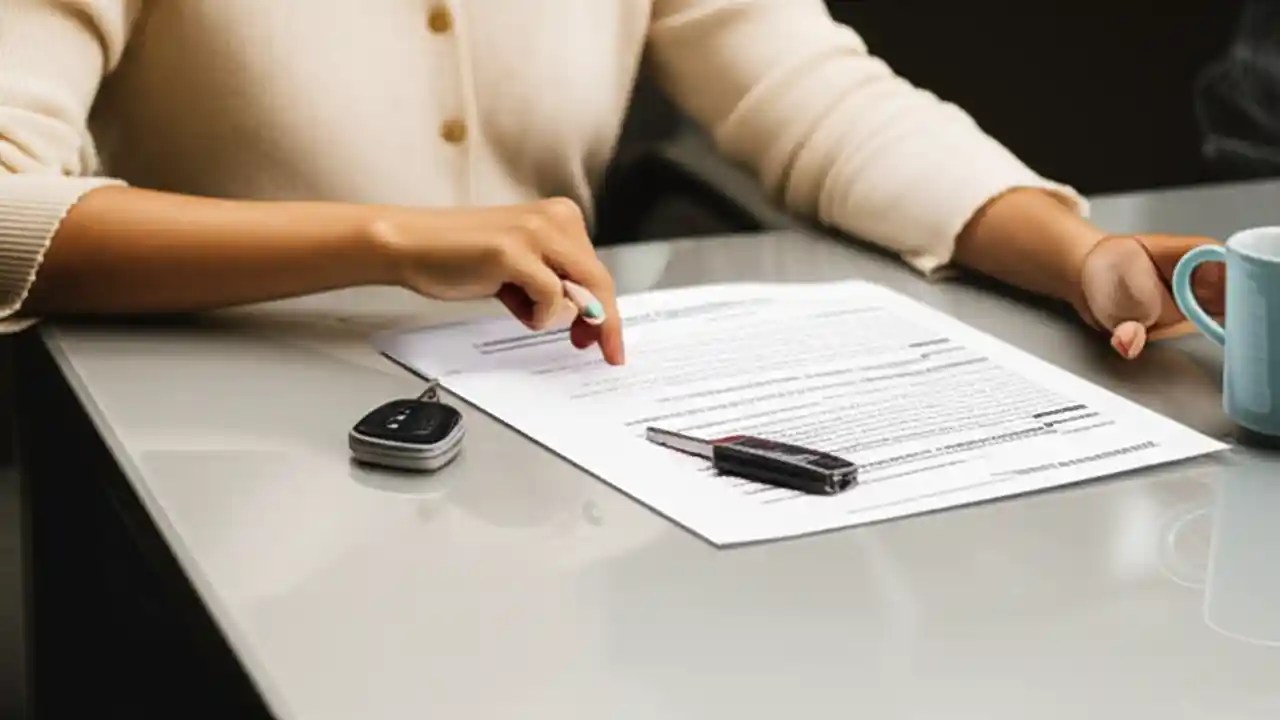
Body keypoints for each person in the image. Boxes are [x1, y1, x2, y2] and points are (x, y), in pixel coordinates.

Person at [0, 0, 1222, 364]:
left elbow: (816, 99)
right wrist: (385, 237)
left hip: (549, 434)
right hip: (213, 430)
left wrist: (1068, 250)